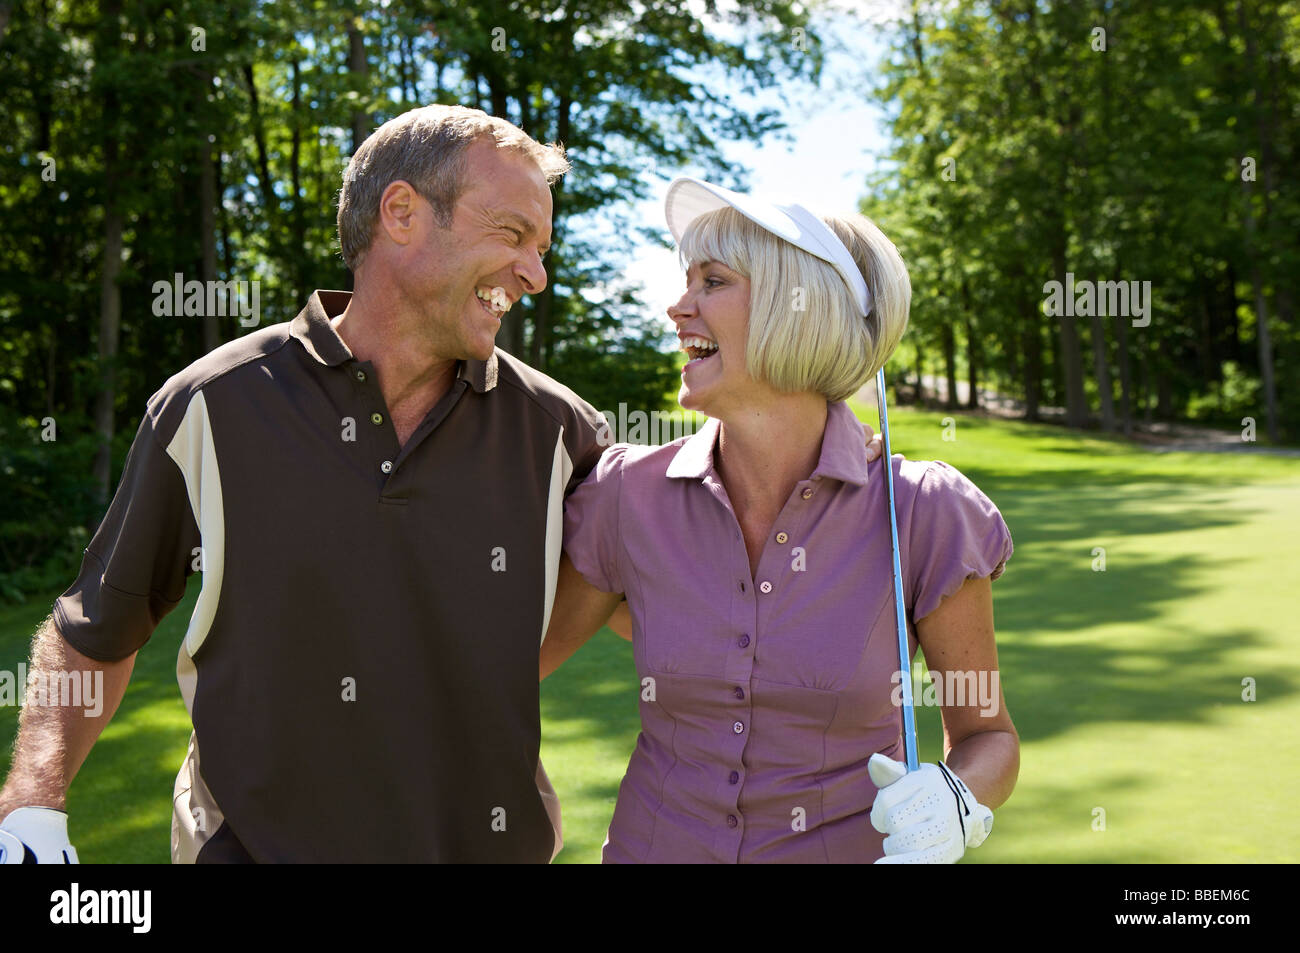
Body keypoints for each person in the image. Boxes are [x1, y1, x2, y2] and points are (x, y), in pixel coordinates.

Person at [0, 105, 612, 863]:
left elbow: (670, 593)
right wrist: (32, 802)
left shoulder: (563, 433)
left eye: (542, 247)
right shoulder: (211, 406)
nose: (536, 274)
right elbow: (95, 627)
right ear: (401, 213)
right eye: (513, 234)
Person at [540, 177, 1020, 863]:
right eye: (687, 281)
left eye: (713, 281)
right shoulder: (627, 495)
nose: (678, 307)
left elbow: (989, 737)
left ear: (799, 309)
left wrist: (957, 795)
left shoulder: (925, 512)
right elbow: (507, 675)